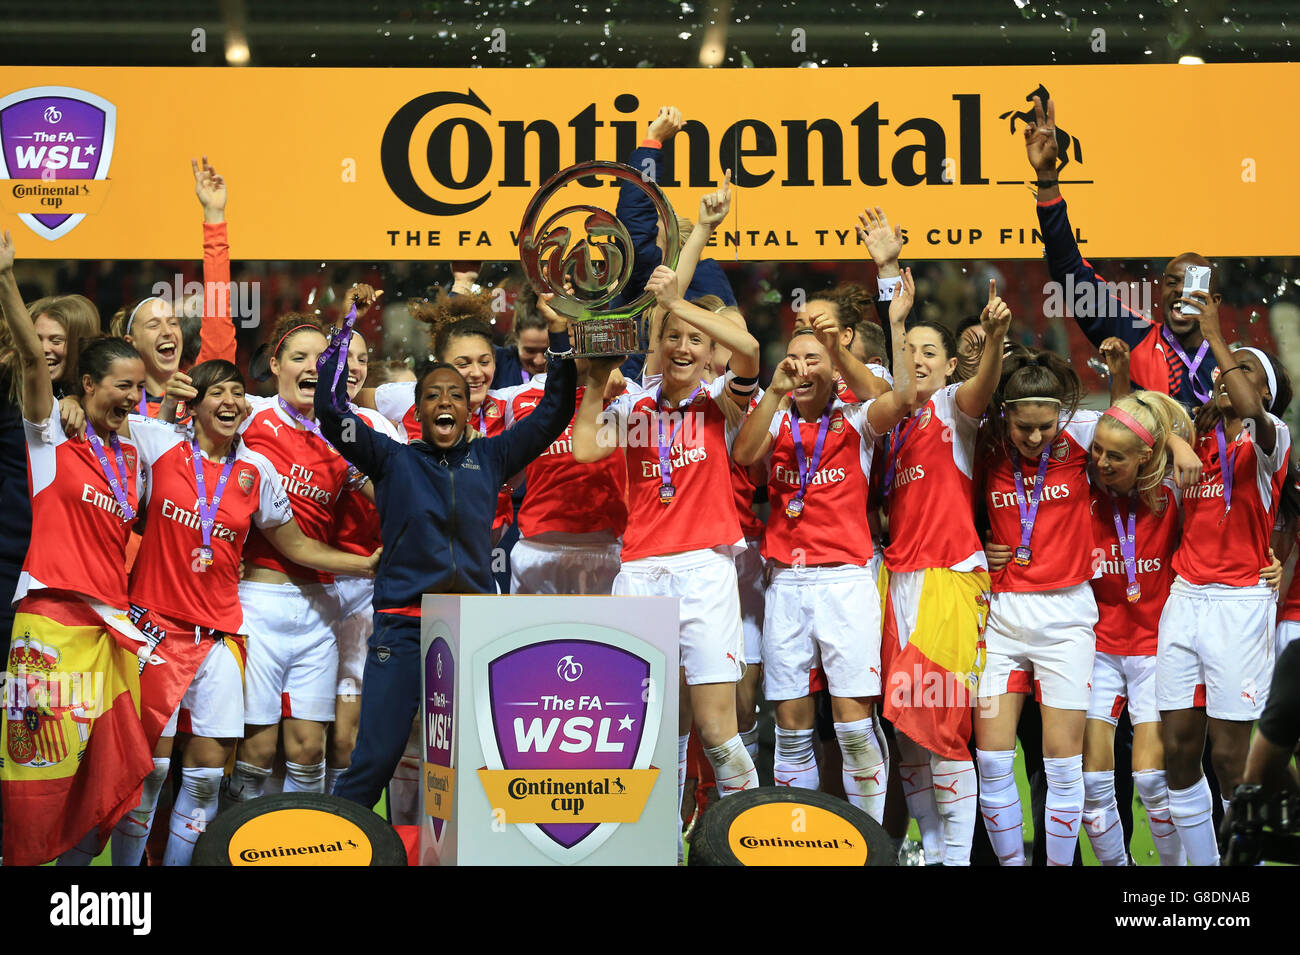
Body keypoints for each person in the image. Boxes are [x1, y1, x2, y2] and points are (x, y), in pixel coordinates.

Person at [114, 360, 376, 866]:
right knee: (150, 775)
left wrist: (362, 564)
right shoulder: (158, 442)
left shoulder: (258, 470)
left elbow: (295, 542)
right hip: (155, 630)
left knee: (209, 776)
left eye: (238, 392)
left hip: (219, 635)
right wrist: (83, 404)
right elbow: (109, 421)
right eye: (218, 393)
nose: (231, 401)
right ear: (195, 403)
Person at [316, 305, 577, 809]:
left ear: (466, 409)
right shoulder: (390, 459)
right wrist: (341, 339)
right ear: (416, 408)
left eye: (455, 395)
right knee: (375, 759)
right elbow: (332, 412)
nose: (445, 401)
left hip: (472, 628)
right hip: (403, 626)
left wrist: (560, 339)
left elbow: (554, 412)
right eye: (433, 394)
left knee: (485, 759)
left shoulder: (493, 457)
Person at [975, 346, 1201, 867]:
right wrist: (978, 540)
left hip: (1069, 618)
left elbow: (1133, 424)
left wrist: (1174, 442)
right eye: (1023, 427)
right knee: (990, 762)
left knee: (1065, 769)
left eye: (1044, 425)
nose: (1035, 437)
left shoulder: (1079, 440)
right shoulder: (986, 444)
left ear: (1060, 416)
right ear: (1005, 416)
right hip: (1002, 614)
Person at [572, 264, 762, 843]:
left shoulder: (722, 403)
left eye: (696, 341)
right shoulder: (635, 407)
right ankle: (657, 845)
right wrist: (596, 379)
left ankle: (746, 843)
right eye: (671, 337)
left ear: (711, 354)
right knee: (650, 730)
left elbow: (750, 348)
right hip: (638, 573)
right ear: (655, 347)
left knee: (717, 730)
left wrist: (681, 305)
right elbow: (584, 448)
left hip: (704, 570)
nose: (682, 346)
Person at [731, 269, 914, 823]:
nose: (803, 368)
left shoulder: (856, 418)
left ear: (835, 368)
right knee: (790, 732)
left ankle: (872, 844)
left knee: (856, 728)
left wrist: (837, 350)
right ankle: (801, 845)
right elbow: (744, 455)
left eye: (815, 360)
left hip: (846, 581)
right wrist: (775, 389)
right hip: (786, 583)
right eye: (795, 359)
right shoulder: (777, 418)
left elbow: (898, 397)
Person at [0, 230, 153, 866]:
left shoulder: (135, 454)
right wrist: (7, 278)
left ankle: (81, 895)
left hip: (107, 636)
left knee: (108, 777)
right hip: (48, 626)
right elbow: (35, 364)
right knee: (38, 777)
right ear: (86, 384)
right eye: (121, 386)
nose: (133, 397)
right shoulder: (49, 444)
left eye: (138, 387)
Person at [1156, 294, 1293, 866]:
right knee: (1179, 751)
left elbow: (1251, 410)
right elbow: (1131, 424)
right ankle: (1205, 876)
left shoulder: (1271, 439)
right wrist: (1170, 437)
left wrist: (1216, 335)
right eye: (1224, 365)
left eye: (1244, 369)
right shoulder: (1197, 437)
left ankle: (1247, 870)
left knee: (1233, 759)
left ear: (1265, 393)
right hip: (1184, 599)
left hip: (1240, 604)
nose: (1225, 372)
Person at [879, 280, 1011, 866]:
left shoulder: (954, 408)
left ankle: (955, 860)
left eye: (930, 352)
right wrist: (893, 308)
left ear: (951, 364)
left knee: (945, 733)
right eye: (908, 353)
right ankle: (929, 854)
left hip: (949, 581)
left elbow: (984, 388)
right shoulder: (893, 423)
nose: (918, 361)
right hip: (897, 580)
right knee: (908, 735)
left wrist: (998, 338)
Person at [225, 315, 368, 802]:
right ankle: (234, 849)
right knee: (258, 750)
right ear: (275, 365)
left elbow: (384, 489)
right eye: (299, 357)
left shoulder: (344, 434)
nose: (311, 367)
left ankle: (304, 847)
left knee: (309, 750)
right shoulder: (251, 416)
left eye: (321, 359)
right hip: (258, 603)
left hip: (320, 607)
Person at [1025, 97, 1219, 410]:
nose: (1181, 292)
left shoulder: (1235, 364)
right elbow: (1069, 271)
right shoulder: (1133, 335)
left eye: (1194, 285)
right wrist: (1047, 178)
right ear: (1161, 289)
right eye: (1172, 283)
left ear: (1215, 300)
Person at [1080, 392, 1193, 866]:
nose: (1102, 462)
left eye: (1116, 456)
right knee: (1090, 785)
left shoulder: (1173, 496)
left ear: (1147, 456)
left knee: (1150, 781)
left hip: (1153, 653)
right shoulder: (1081, 493)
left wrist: (1179, 444)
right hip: (1099, 650)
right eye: (1098, 451)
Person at [109, 157, 237, 420]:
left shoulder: (205, 386)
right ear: (131, 343)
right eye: (154, 325)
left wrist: (214, 217)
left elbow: (217, 304)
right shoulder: (121, 411)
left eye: (172, 323)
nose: (168, 331)